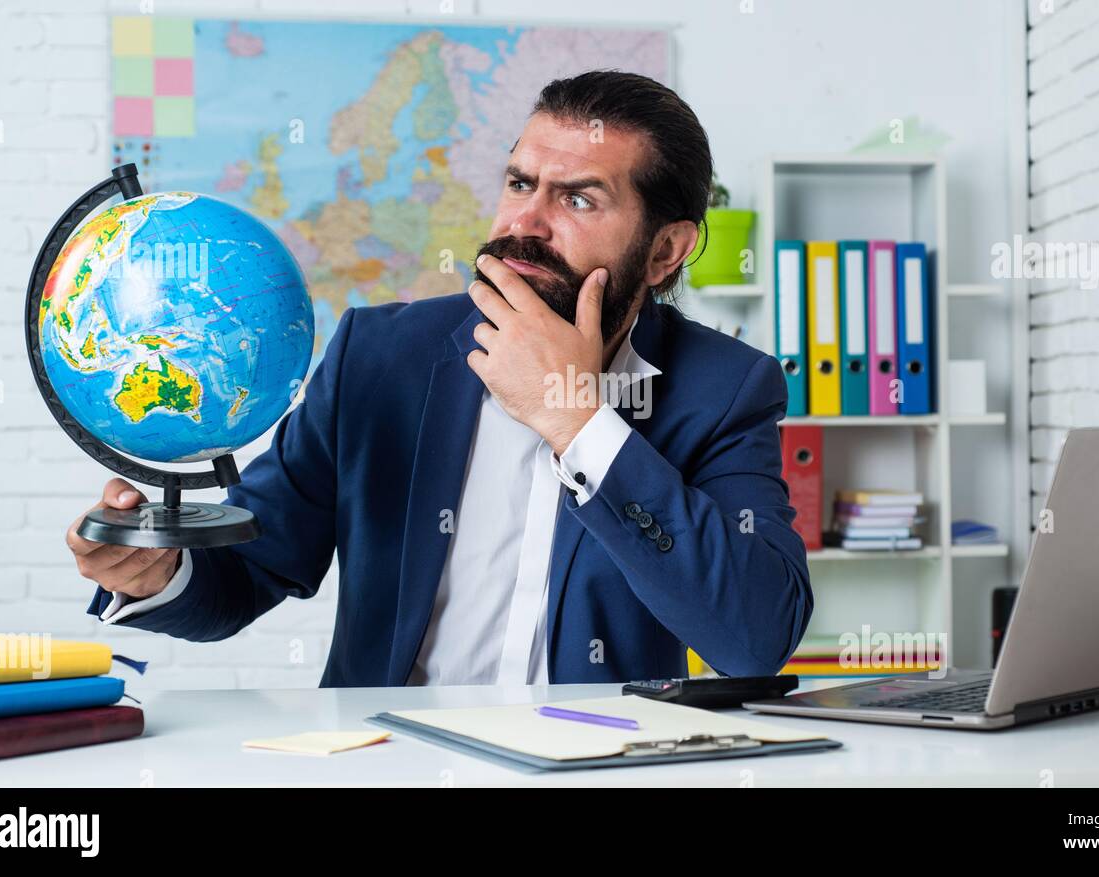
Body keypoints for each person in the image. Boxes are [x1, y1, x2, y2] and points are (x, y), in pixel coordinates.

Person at [67, 70, 813, 686]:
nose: (527, 222)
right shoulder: (380, 355)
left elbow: (753, 637)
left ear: (664, 252)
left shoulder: (724, 390)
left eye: (579, 198)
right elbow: (252, 566)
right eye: (521, 182)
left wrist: (577, 422)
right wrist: (155, 571)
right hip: (394, 765)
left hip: (601, 766)